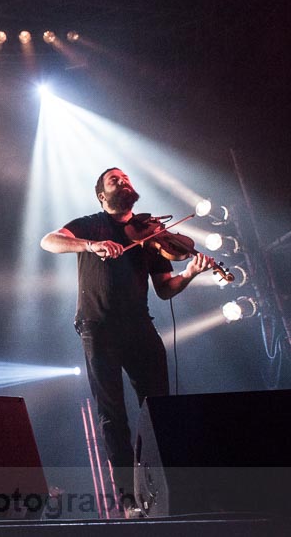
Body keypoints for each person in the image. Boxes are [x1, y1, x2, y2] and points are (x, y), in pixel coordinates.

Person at [40, 167, 210, 511]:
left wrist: (189, 274)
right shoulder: (91, 223)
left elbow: (164, 289)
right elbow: (49, 240)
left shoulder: (151, 235)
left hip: (138, 326)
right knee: (112, 415)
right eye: (114, 180)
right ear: (102, 196)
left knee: (159, 407)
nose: (124, 181)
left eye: (126, 178)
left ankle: (166, 489)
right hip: (97, 326)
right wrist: (90, 245)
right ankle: (129, 499)